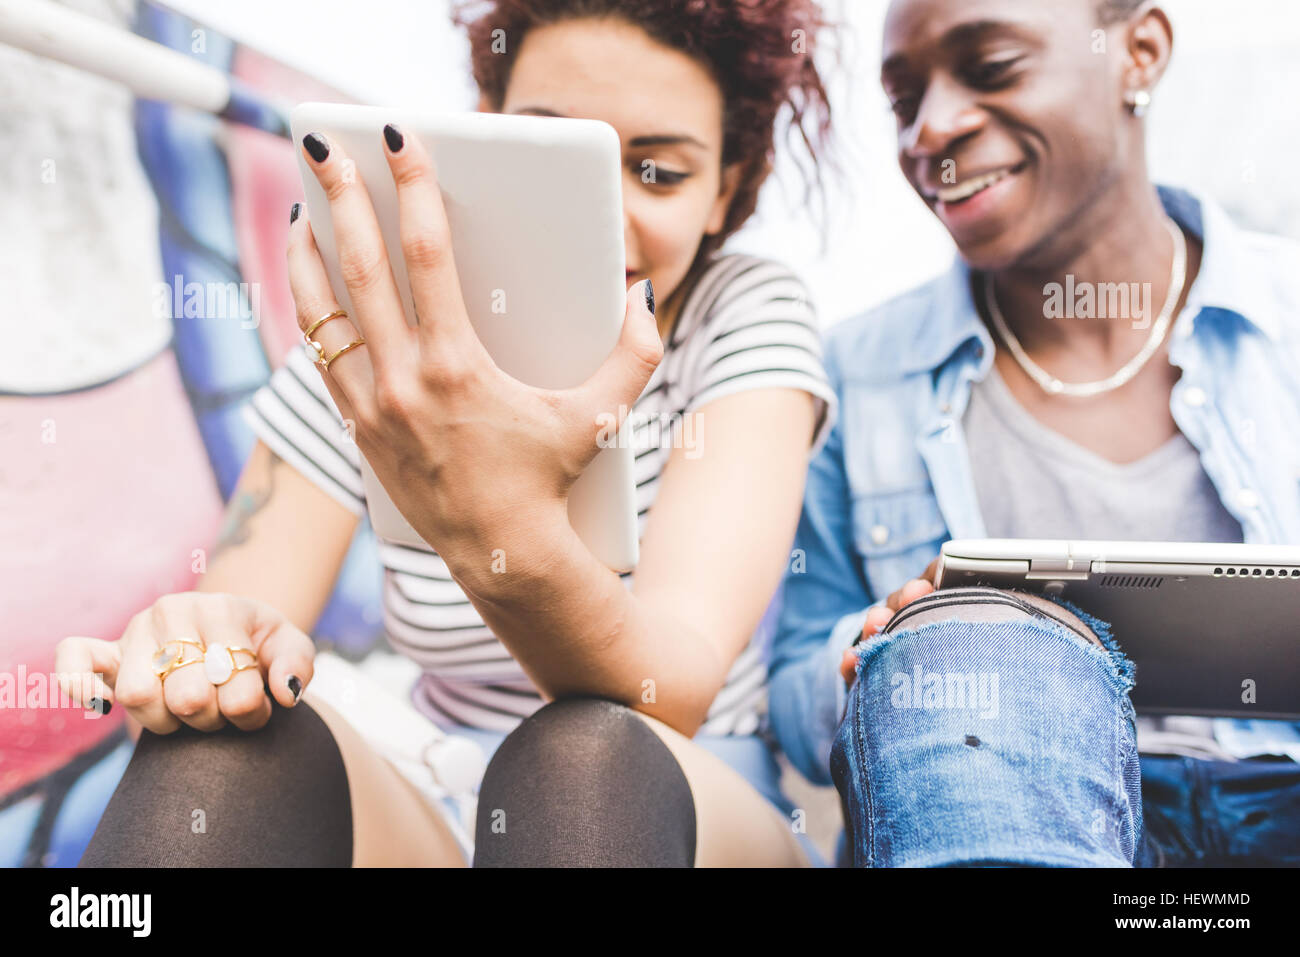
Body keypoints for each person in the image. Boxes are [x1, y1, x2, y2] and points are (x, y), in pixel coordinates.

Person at [60, 0, 839, 867]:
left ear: (723, 192)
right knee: (223, 745)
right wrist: (197, 657)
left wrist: (495, 517)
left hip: (687, 797)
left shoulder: (745, 311)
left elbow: (666, 698)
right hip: (444, 796)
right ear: (486, 130)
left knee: (585, 757)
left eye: (656, 172)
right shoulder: (378, 335)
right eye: (558, 152)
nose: (605, 214)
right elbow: (244, 625)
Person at [769, 0, 1300, 866]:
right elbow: (792, 695)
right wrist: (886, 646)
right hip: (1002, 813)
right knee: (979, 668)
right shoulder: (851, 375)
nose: (931, 130)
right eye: (904, 103)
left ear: (1139, 52)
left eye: (992, 68)